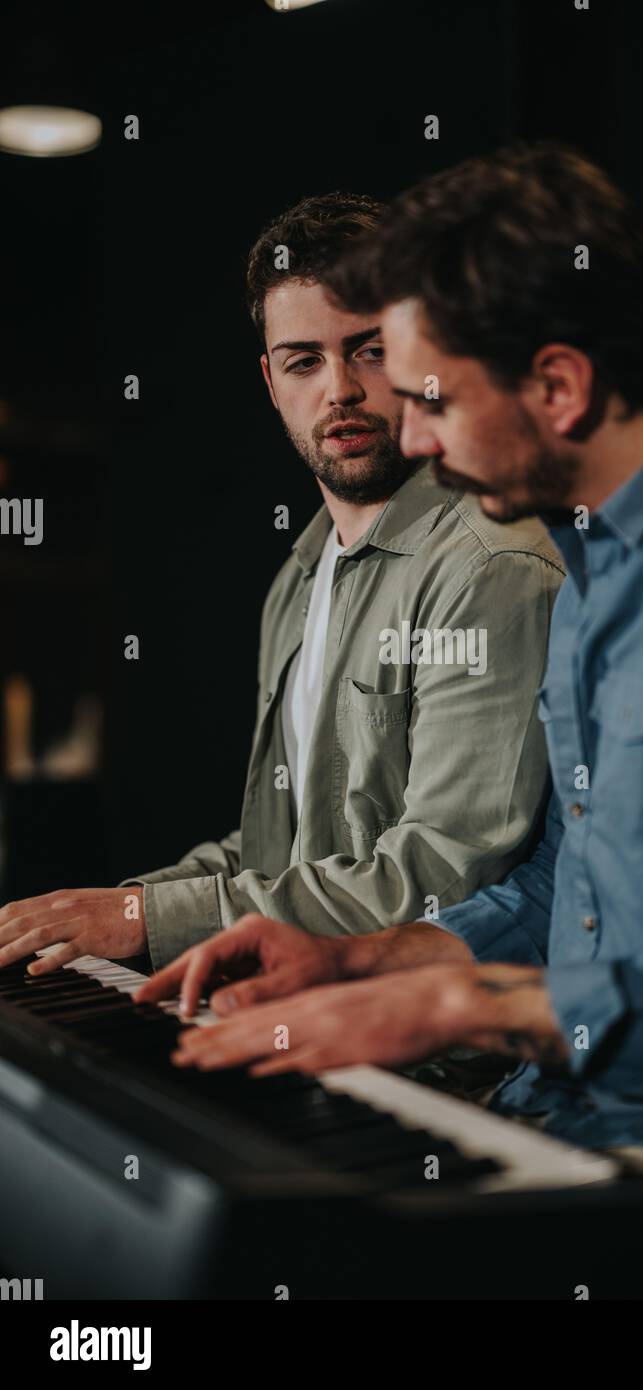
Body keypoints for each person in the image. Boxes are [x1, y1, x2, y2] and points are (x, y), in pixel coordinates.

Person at [137, 144, 643, 1295]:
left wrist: (451, 1003)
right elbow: (555, 895)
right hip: (576, 1124)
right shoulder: (597, 574)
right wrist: (360, 957)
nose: (410, 437)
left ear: (560, 387)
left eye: (429, 396)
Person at [0, 191, 563, 977]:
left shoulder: (489, 567)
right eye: (305, 360)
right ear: (271, 383)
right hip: (299, 1011)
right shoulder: (298, 578)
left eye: (370, 351)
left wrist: (142, 917)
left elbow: (438, 881)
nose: (339, 389)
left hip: (434, 1059)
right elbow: (282, 852)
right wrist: (103, 911)